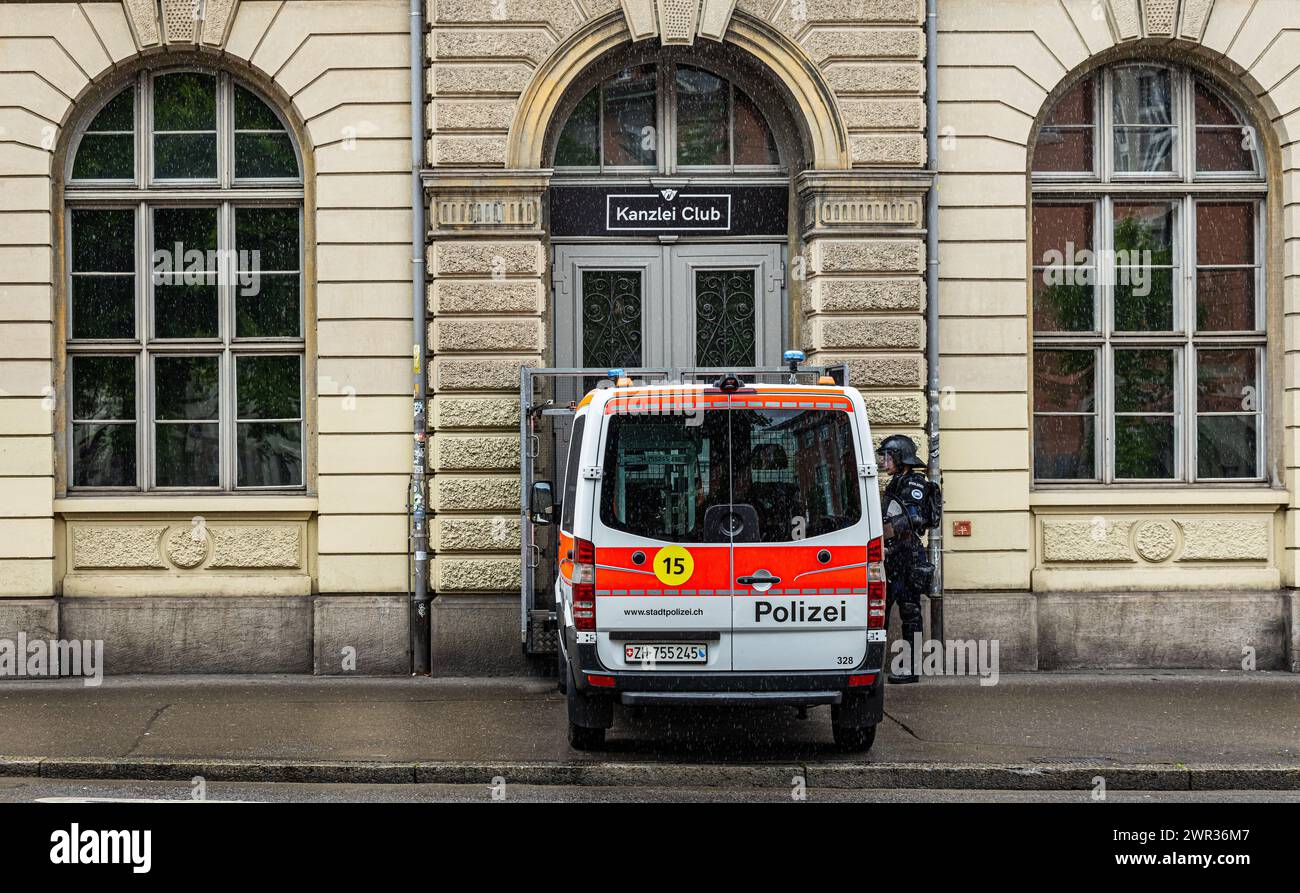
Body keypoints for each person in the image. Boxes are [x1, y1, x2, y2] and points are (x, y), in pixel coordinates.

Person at [876, 434, 939, 684]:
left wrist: (886, 535)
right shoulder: (895, 483)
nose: (884, 461)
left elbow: (910, 520)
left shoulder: (915, 482)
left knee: (910, 612)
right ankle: (872, 666)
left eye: (888, 456)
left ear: (901, 458)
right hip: (890, 557)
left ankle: (911, 669)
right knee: (879, 611)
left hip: (908, 556)